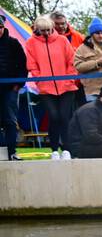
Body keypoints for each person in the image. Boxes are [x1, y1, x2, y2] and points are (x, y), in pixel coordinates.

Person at [25, 14, 78, 159]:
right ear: (37, 29)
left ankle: (67, 149)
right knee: (53, 117)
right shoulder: (30, 43)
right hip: (46, 88)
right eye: (43, 31)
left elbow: (71, 61)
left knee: (64, 117)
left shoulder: (62, 40)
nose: (46, 33)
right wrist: (40, 80)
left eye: (48, 29)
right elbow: (32, 65)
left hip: (67, 87)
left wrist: (69, 80)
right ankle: (54, 149)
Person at [0, 19, 26, 160]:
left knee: (10, 120)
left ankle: (12, 152)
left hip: (10, 89)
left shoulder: (13, 43)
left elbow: (23, 65)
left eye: (0, 27)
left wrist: (18, 85)